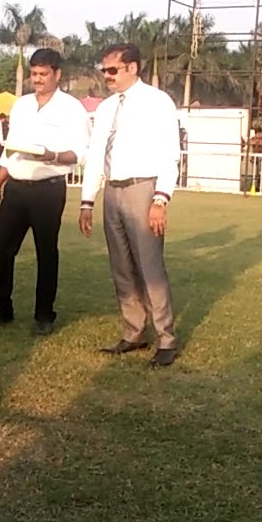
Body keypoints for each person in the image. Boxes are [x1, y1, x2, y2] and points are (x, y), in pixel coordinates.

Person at [77, 43, 180, 367]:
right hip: (113, 190)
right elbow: (96, 154)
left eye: (112, 70)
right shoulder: (107, 108)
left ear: (132, 68)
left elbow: (170, 153)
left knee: (149, 267)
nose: (106, 76)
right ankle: (134, 331)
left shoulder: (157, 102)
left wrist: (161, 199)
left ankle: (166, 338)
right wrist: (87, 200)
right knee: (121, 267)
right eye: (104, 70)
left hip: (143, 188)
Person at [0, 48, 90, 336]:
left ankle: (44, 315)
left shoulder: (71, 108)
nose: (37, 80)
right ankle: (1, 308)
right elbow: (10, 148)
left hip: (48, 189)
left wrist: (51, 155)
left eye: (43, 74)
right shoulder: (22, 105)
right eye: (34, 74)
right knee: (0, 249)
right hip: (15, 187)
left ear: (57, 74)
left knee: (45, 252)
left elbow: (79, 152)